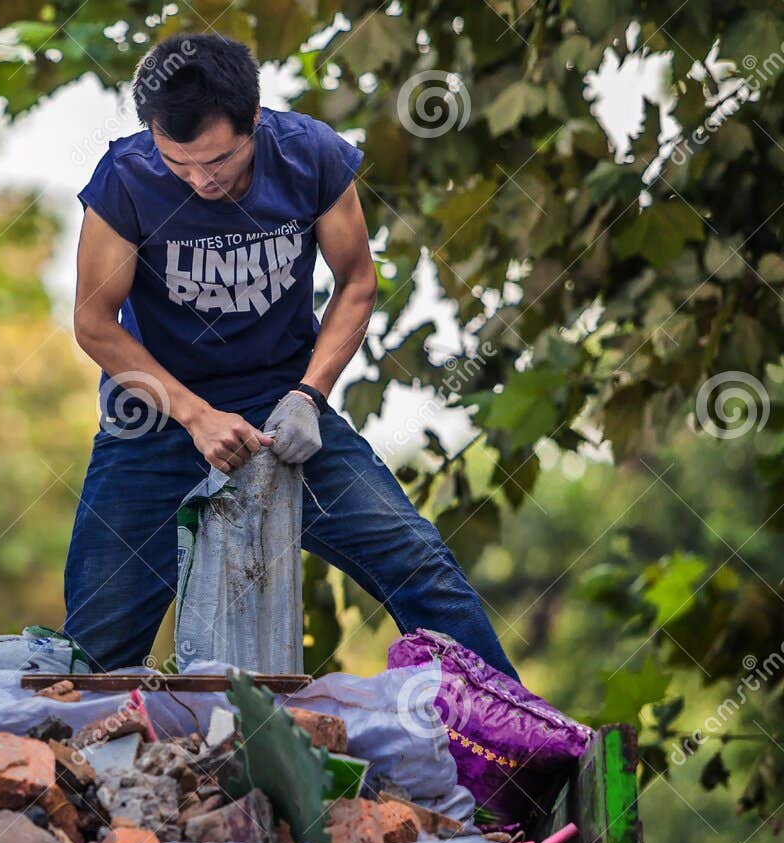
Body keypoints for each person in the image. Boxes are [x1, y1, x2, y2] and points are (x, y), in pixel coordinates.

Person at [62, 31, 519, 680]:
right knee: (94, 652)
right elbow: (93, 323)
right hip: (157, 418)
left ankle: (529, 757)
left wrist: (310, 395)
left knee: (421, 570)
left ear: (252, 120)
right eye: (178, 162)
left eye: (216, 161)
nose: (199, 180)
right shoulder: (124, 179)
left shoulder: (311, 157)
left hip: (284, 410)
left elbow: (357, 280)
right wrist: (195, 416)